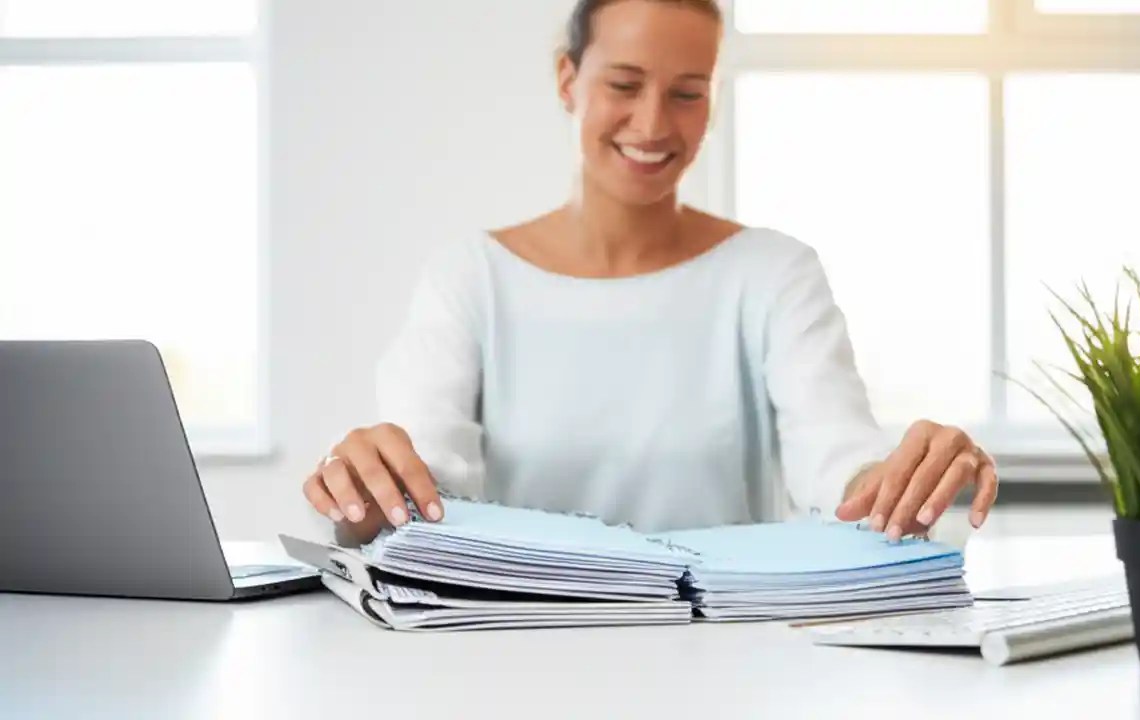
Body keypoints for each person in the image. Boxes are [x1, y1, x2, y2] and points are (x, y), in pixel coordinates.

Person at [302, 0, 998, 546]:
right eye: (625, 84)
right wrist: (370, 491)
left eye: (688, 93)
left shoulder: (773, 274)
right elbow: (424, 482)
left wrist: (904, 482)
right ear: (567, 80)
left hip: (725, 657)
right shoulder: (470, 277)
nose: (653, 122)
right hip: (518, 652)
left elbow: (838, 461)